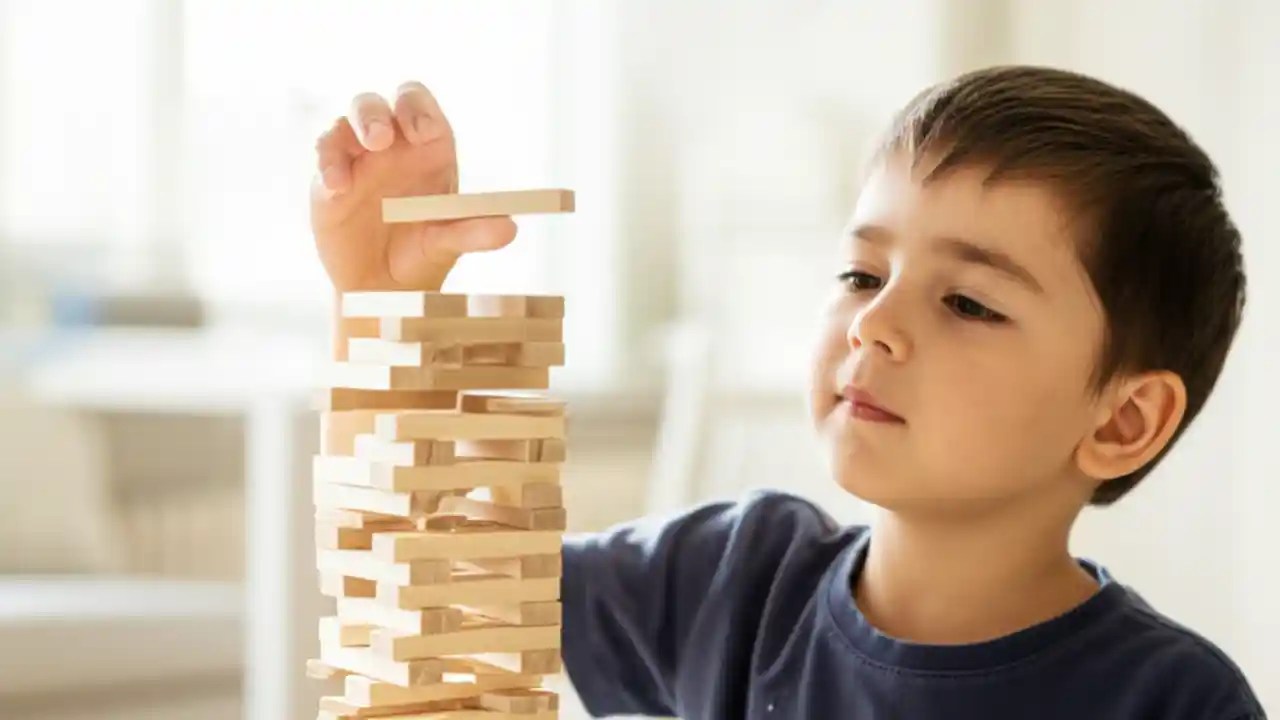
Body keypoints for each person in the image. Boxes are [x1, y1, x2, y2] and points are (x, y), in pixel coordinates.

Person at [310, 66, 1267, 719]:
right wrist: (383, 303)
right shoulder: (734, 579)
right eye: (861, 275)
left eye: (968, 302)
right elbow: (433, 583)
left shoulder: (1171, 699)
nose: (874, 324)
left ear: (1124, 419)